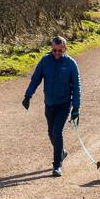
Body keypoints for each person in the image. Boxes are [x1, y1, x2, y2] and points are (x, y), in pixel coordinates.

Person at [22, 35, 82, 176]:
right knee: (51, 133)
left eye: (60, 51)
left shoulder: (71, 64)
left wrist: (76, 107)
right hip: (49, 103)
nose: (57, 53)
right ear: (51, 48)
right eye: (54, 50)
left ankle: (57, 165)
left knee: (57, 132)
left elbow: (77, 86)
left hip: (64, 103)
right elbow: (36, 78)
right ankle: (61, 152)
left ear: (65, 49)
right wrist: (27, 95)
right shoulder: (45, 61)